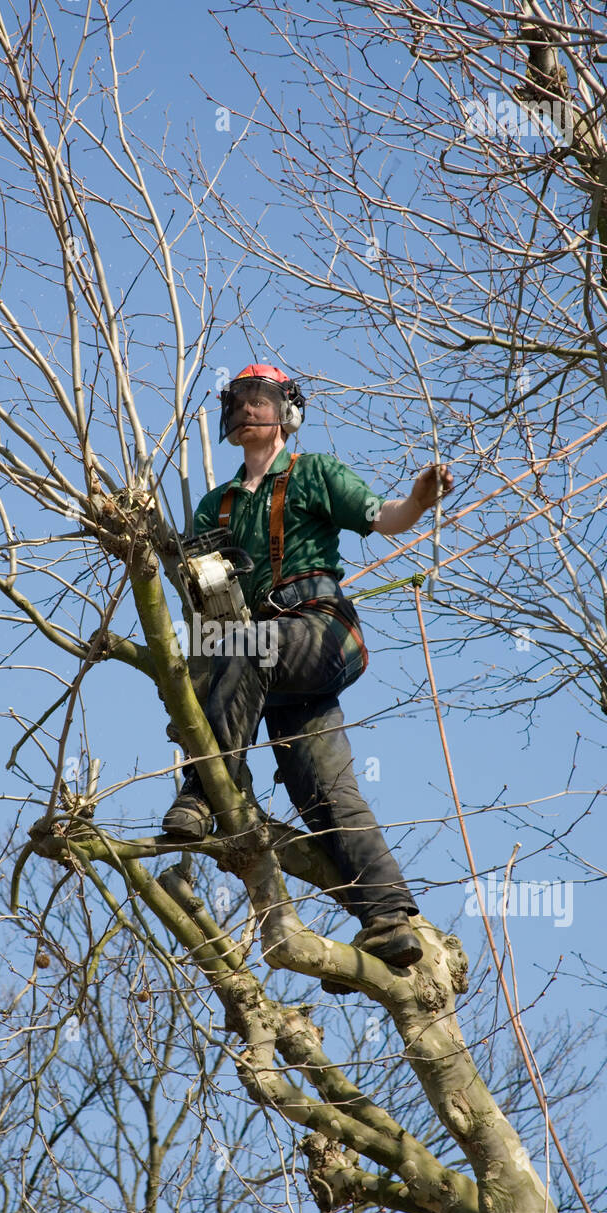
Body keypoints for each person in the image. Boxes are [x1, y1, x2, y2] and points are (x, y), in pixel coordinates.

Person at [162, 363, 453, 988]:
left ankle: (202, 790)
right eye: (237, 399)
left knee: (254, 645)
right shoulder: (216, 506)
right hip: (261, 662)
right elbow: (202, 605)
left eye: (259, 398)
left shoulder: (315, 473)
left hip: (322, 633)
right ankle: (387, 920)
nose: (245, 409)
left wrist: (421, 499)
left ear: (287, 410)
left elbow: (388, 516)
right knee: (324, 793)